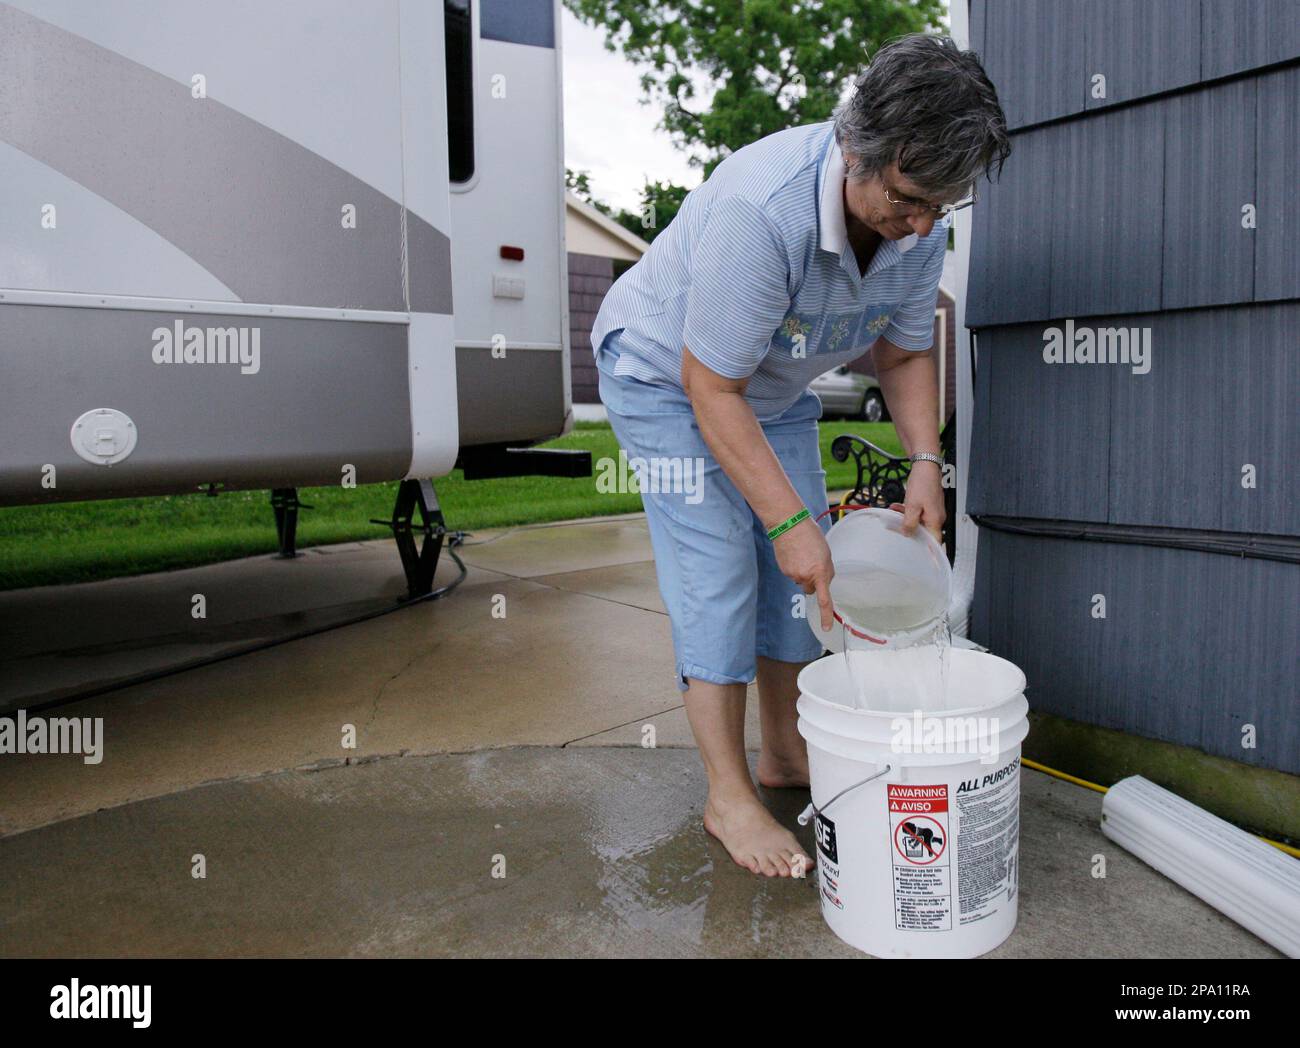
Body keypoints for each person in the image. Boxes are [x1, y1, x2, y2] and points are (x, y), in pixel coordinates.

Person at [591, 34, 1011, 877]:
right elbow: (710, 387)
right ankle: (727, 794)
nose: (923, 225)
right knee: (722, 573)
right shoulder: (764, 210)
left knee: (809, 582)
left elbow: (900, 354)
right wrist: (786, 519)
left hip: (771, 393)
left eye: (944, 206)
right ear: (856, 150)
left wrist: (926, 460)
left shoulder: (916, 222)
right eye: (909, 199)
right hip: (667, 378)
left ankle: (784, 753)